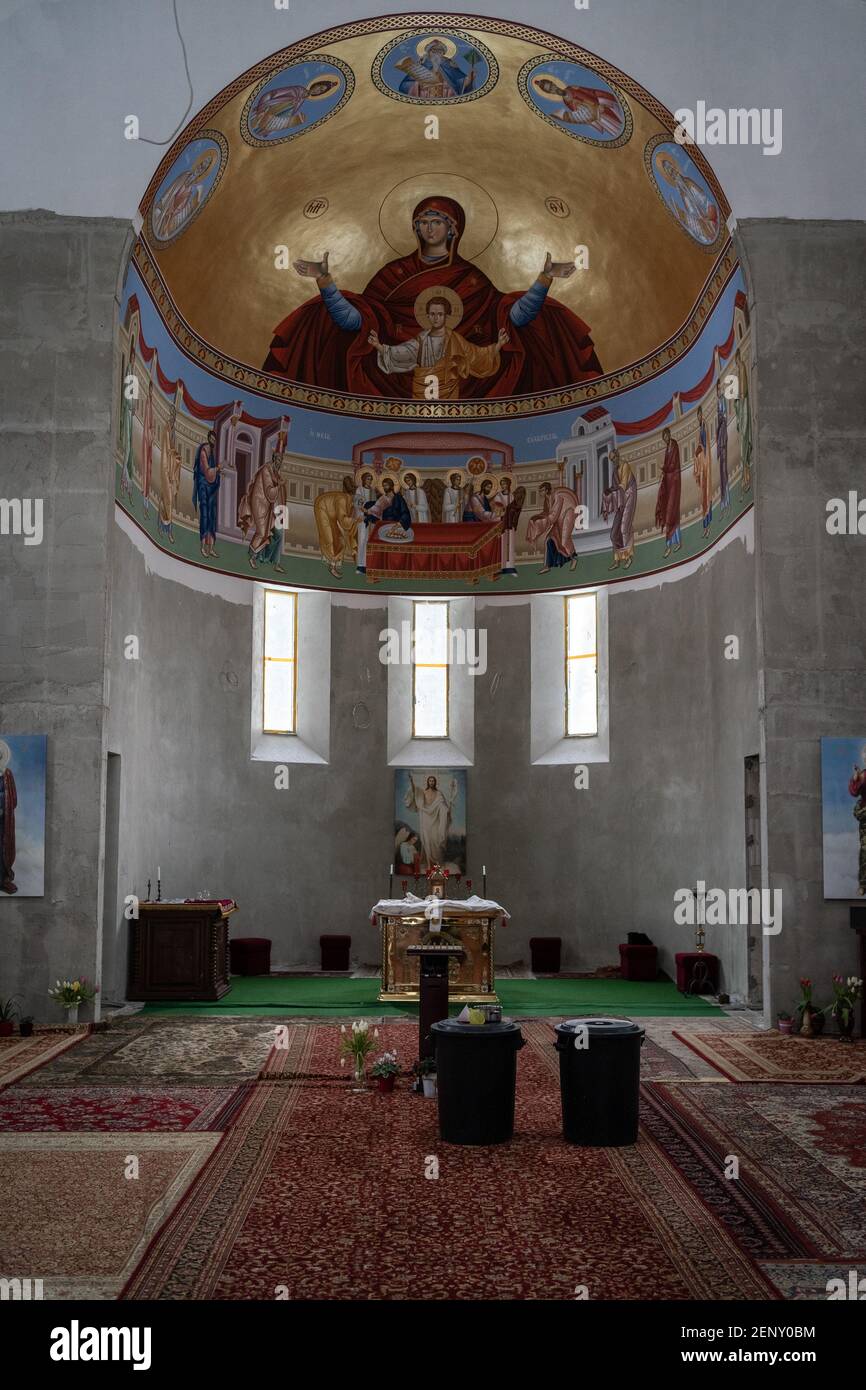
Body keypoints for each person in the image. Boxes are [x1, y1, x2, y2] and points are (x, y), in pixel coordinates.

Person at [263, 195, 602, 396]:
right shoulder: (392, 274)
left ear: (453, 229)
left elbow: (508, 318)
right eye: (423, 221)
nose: (429, 227)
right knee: (317, 314)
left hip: (460, 374)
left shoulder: (471, 279)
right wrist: (326, 284)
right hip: (398, 370)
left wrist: (544, 280)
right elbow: (361, 322)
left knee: (546, 317)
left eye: (437, 221)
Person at [368, 295, 507, 400]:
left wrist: (498, 345)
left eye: (440, 314)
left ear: (446, 316)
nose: (436, 318)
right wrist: (379, 346)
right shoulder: (421, 339)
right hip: (422, 392)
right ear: (428, 316)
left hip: (448, 393)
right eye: (433, 314)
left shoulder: (455, 339)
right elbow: (402, 353)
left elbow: (475, 355)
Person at [239, 450, 288, 572]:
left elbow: (277, 493)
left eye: (281, 461)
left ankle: (273, 562)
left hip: (269, 508)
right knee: (262, 533)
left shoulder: (275, 473)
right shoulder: (266, 470)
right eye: (278, 460)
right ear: (273, 459)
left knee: (279, 533)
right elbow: (269, 491)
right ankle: (252, 556)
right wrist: (279, 485)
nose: (279, 463)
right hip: (260, 505)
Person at [404, 773, 457, 869]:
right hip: (426, 818)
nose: (431, 782)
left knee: (435, 840)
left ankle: (437, 863)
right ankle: (429, 864)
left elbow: (443, 806)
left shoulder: (439, 793)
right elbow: (415, 791)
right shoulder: (423, 792)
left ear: (435, 782)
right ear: (427, 782)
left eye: (433, 781)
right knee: (427, 841)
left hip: (436, 820)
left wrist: (446, 810)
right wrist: (411, 781)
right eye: (430, 780)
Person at [526, 481, 580, 572]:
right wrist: (537, 517)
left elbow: (554, 515)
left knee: (564, 541)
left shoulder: (557, 496)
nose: (540, 493)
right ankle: (547, 566)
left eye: (542, 490)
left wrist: (542, 522)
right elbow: (546, 513)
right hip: (557, 521)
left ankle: (573, 559)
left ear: (547, 490)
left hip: (566, 517)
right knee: (549, 540)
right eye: (540, 491)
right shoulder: (546, 500)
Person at [314, 475, 358, 578]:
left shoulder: (347, 499)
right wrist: (354, 520)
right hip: (322, 508)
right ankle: (331, 565)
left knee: (339, 539)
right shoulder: (342, 499)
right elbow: (343, 519)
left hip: (331, 513)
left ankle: (334, 564)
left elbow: (346, 515)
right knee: (329, 537)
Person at [603, 448, 637, 570]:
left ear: (618, 456)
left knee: (624, 528)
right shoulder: (614, 472)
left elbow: (623, 485)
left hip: (629, 497)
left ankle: (628, 558)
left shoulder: (625, 466)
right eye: (611, 460)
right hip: (620, 501)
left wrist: (612, 489)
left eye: (614, 458)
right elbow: (615, 487)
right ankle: (617, 560)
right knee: (613, 534)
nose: (613, 461)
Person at [192, 430, 221, 557]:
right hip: (203, 486)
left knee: (212, 515)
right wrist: (217, 469)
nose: (213, 441)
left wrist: (218, 472)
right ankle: (203, 546)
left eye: (215, 440)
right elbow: (207, 471)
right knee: (204, 515)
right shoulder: (204, 451)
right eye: (212, 439)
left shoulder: (213, 453)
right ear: (209, 438)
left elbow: (212, 473)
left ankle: (211, 547)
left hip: (211, 488)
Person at [655, 427, 682, 558]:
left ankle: (672, 544)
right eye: (663, 438)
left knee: (672, 513)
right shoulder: (667, 449)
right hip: (669, 483)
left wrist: (663, 468)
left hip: (675, 484)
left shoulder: (674, 445)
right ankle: (672, 543)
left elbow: (672, 466)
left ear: (669, 435)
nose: (665, 439)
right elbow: (667, 468)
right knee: (669, 513)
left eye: (666, 437)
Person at [158, 403, 182, 543]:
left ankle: (168, 529)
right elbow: (168, 451)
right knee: (167, 499)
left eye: (174, 418)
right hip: (167, 469)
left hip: (171, 471)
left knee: (169, 500)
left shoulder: (172, 431)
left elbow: (172, 450)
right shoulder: (167, 430)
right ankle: (164, 528)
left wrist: (176, 458)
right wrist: (176, 458)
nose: (173, 420)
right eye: (172, 417)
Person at [493, 475, 525, 576]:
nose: (503, 486)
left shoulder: (511, 496)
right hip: (501, 522)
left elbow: (515, 508)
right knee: (502, 544)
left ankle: (510, 567)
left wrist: (511, 510)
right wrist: (504, 510)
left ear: (508, 485)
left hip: (510, 522)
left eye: (505, 484)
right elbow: (497, 509)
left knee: (510, 543)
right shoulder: (498, 496)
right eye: (501, 484)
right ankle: (501, 567)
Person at [0, 740, 17, 895]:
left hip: (4, 820)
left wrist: (5, 808)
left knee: (3, 845)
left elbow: (13, 799)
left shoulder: (8, 774)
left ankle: (3, 878)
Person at [735, 348, 752, 495]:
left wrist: (740, 398)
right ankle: (745, 476)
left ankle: (747, 476)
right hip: (742, 413)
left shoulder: (743, 369)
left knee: (745, 447)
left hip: (745, 413)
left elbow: (743, 394)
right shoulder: (739, 373)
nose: (738, 365)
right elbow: (739, 397)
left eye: (738, 362)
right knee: (742, 449)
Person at [353, 471, 378, 573]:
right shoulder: (359, 489)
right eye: (368, 479)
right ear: (363, 479)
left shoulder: (373, 491)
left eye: (371, 479)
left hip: (370, 519)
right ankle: (360, 565)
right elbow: (357, 503)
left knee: (369, 541)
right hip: (362, 519)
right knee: (362, 540)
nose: (370, 481)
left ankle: (368, 564)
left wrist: (371, 513)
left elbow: (376, 506)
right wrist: (363, 511)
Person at [141, 378, 155, 514]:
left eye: (152, 390)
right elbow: (148, 425)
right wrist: (150, 436)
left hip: (150, 442)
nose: (151, 392)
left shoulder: (151, 403)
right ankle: (145, 497)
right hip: (147, 441)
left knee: (149, 471)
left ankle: (147, 498)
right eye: (151, 389)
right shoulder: (147, 403)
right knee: (146, 470)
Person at [716, 379, 730, 511]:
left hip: (723, 439)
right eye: (717, 389)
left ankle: (727, 499)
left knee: (724, 470)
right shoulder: (718, 404)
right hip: (721, 440)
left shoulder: (723, 402)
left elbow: (723, 419)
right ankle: (723, 499)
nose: (719, 391)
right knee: (721, 471)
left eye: (720, 388)